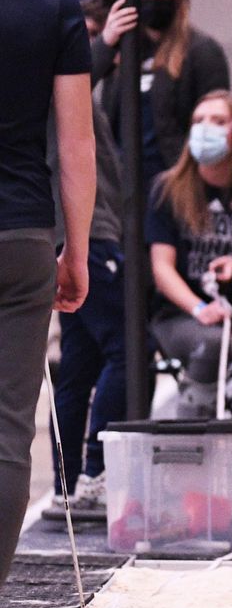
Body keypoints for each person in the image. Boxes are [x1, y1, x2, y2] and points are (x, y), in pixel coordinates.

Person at [0, 0, 93, 608]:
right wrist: (80, 248)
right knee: (6, 432)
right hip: (22, 235)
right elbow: (75, 144)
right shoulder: (53, 6)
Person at [147, 90, 232, 418]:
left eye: (218, 121)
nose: (206, 128)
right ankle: (194, 444)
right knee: (213, 342)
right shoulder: (168, 189)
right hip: (181, 315)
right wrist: (200, 308)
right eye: (199, 121)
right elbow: (162, 270)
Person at [46, 96, 127, 513]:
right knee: (130, 350)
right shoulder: (61, 65)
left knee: (79, 361)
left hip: (81, 233)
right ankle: (96, 471)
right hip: (86, 235)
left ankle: (67, 483)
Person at [95, 0, 231, 194]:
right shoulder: (125, 48)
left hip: (175, 180)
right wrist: (106, 42)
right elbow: (85, 82)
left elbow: (218, 116)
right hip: (121, 180)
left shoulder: (202, 51)